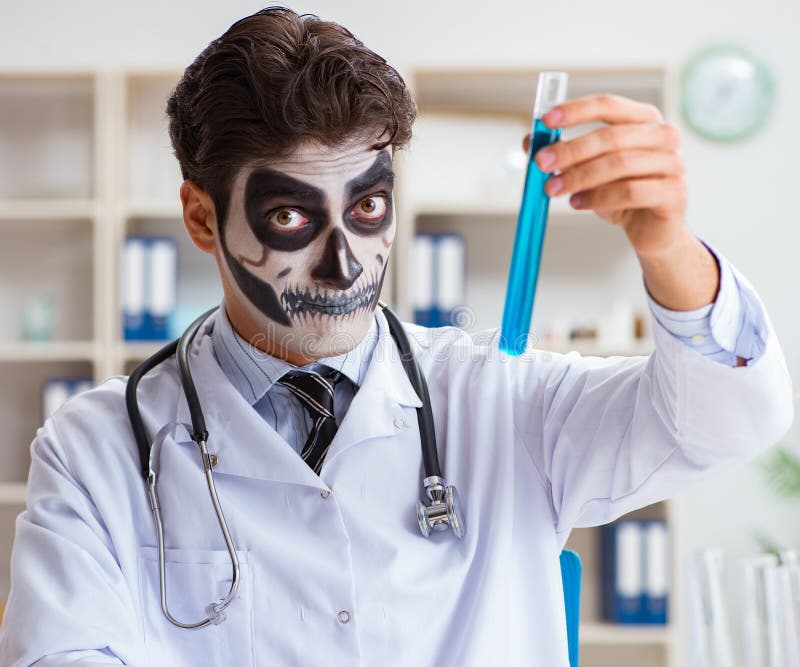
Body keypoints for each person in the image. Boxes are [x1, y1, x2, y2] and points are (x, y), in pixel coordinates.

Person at [0, 7, 793, 667]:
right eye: (290, 217)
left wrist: (668, 249)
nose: (344, 260)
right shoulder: (96, 447)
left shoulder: (501, 398)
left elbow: (728, 421)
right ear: (203, 218)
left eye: (368, 209)